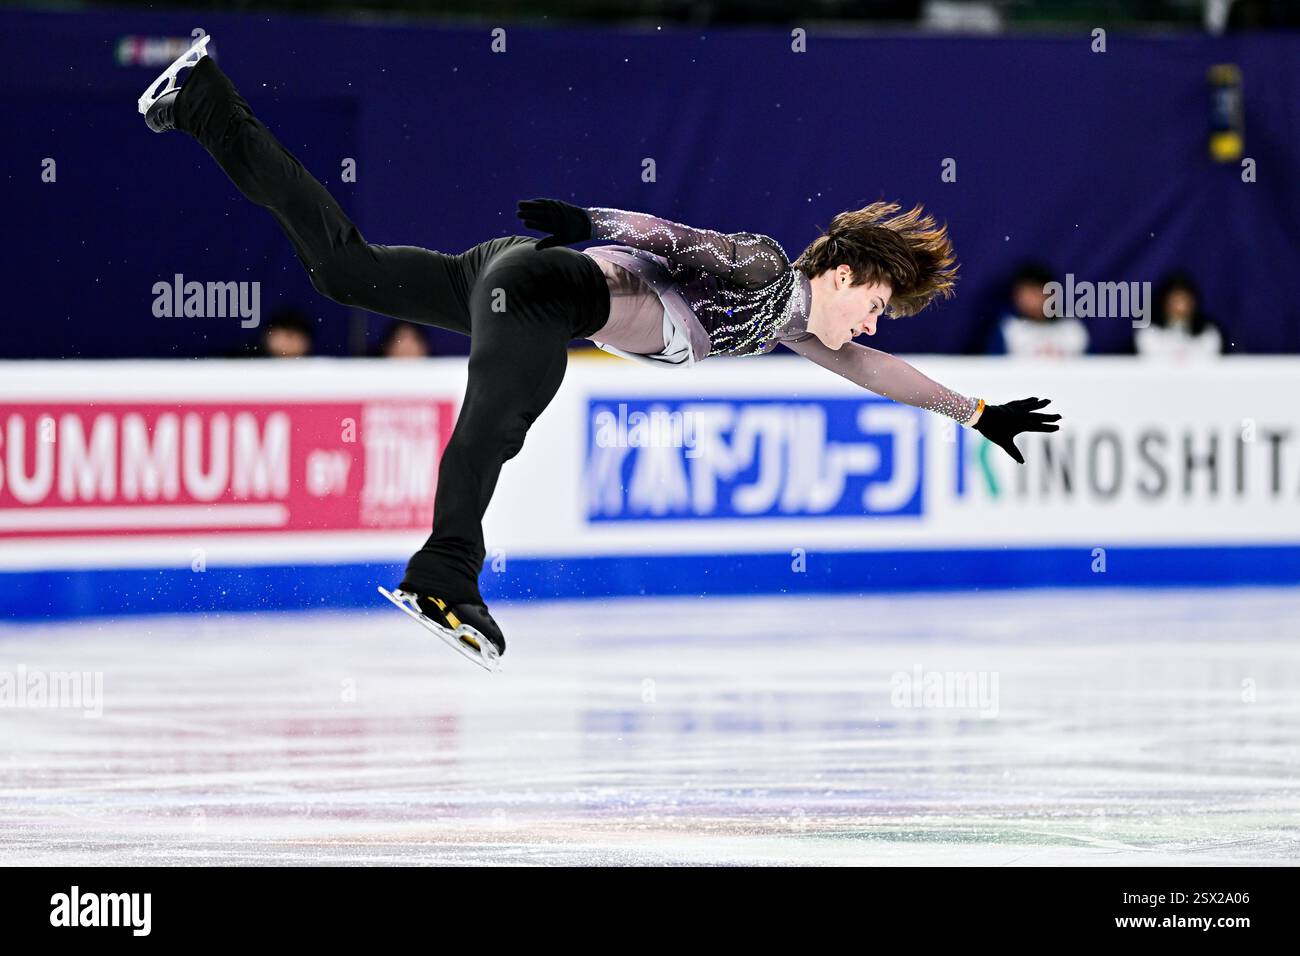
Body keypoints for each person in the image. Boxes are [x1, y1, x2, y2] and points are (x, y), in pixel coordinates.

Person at [139, 37, 1060, 668]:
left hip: (509, 279)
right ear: (848, 269)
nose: (872, 326)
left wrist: (975, 413)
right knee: (499, 421)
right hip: (544, 291)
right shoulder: (766, 268)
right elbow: (679, 238)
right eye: (877, 305)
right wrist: (591, 222)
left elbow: (868, 371)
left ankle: (202, 100)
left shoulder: (784, 320)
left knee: (343, 270)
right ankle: (444, 577)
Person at [990, 263, 1088, 359]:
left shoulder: (1072, 328)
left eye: (1035, 293)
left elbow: (1093, 365)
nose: (1030, 300)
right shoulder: (1008, 329)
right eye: (1024, 294)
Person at [1136, 272, 1224, 361]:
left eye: (1184, 300)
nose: (1179, 308)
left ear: (1193, 303)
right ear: (1164, 303)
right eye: (1174, 301)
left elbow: (1210, 363)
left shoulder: (1208, 333)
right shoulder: (1148, 333)